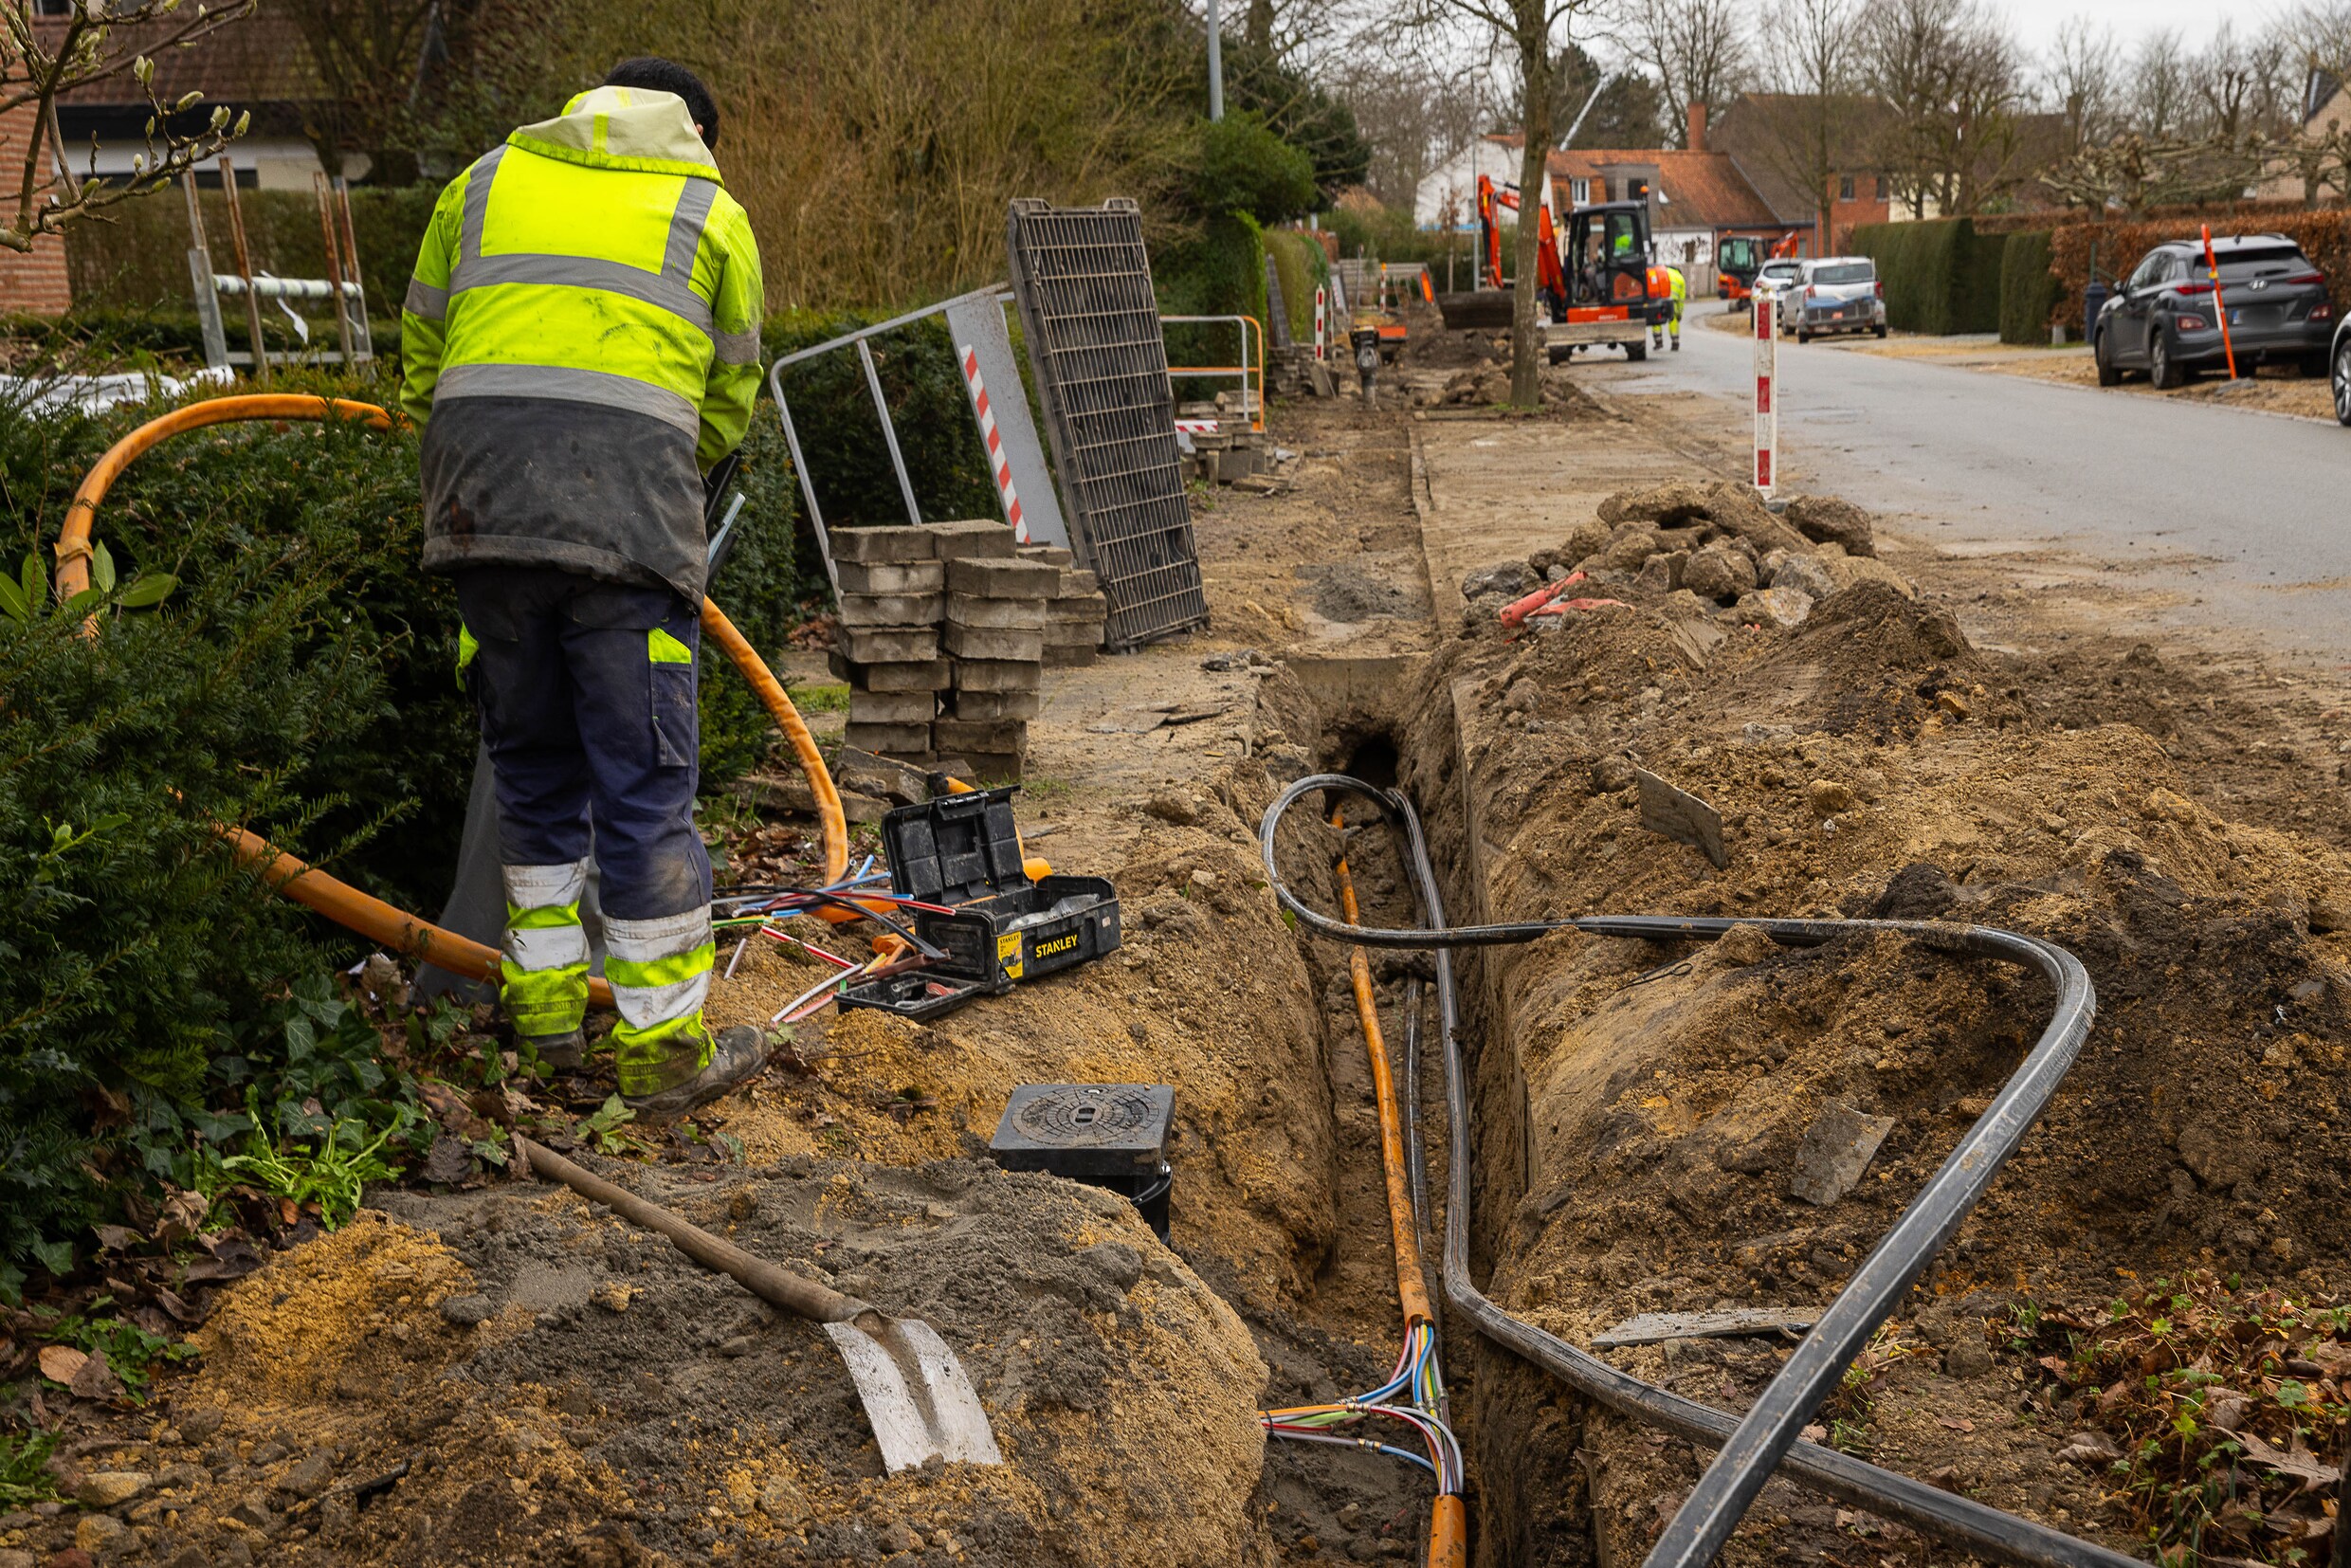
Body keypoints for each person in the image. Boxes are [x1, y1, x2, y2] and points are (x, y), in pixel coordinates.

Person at [399, 58, 769, 1117]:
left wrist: (480, 479)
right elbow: (728, 392)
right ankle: (661, 1059)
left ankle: (548, 1026)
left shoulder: (479, 184)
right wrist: (653, 489)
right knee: (645, 795)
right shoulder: (708, 210)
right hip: (627, 540)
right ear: (692, 126)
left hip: (483, 523)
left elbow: (422, 355)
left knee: (532, 779)